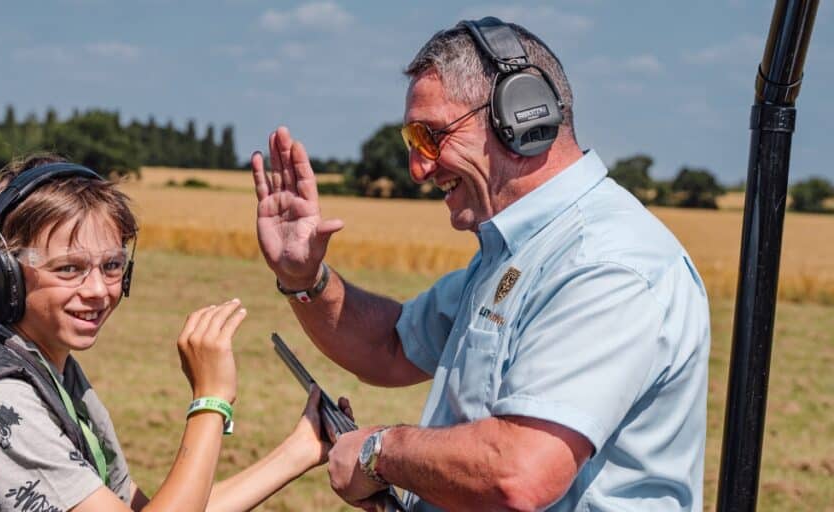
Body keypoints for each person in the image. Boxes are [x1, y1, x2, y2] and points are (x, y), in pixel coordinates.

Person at [251, 17, 710, 511]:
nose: (419, 168)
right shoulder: (520, 251)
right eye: (412, 142)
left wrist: (376, 452)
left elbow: (519, 474)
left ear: (521, 114)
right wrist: (305, 278)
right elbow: (389, 345)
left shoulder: (606, 264)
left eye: (431, 137)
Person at [0, 153, 342, 512]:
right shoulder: (4, 402)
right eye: (69, 269)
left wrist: (300, 450)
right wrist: (210, 400)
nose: (99, 291)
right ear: (1, 277)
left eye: (112, 265)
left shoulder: (55, 374)